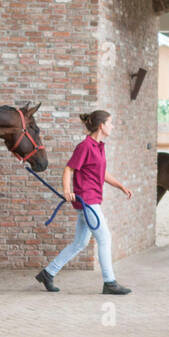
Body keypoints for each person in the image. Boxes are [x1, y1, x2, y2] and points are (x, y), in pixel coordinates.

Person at [36, 110, 133, 295]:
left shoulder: (99, 146)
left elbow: (101, 173)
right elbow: (68, 169)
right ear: (101, 126)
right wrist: (67, 191)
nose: (112, 126)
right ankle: (109, 282)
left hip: (91, 200)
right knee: (104, 239)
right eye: (110, 123)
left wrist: (121, 186)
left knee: (80, 243)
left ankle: (48, 273)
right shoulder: (85, 146)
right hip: (87, 201)